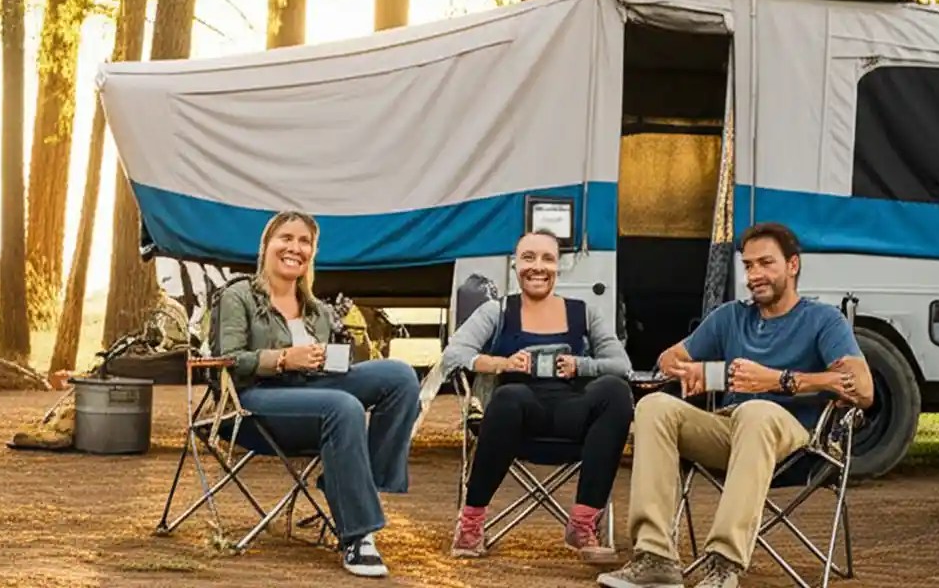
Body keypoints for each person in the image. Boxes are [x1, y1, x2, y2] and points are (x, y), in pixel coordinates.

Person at [597, 222, 874, 588]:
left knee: (756, 412)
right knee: (654, 408)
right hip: (729, 431)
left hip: (797, 444)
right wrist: (700, 371)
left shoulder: (822, 320)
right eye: (748, 265)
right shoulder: (731, 316)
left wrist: (776, 380)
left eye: (766, 263)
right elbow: (668, 359)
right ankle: (655, 558)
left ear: (792, 265)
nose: (754, 275)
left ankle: (724, 564)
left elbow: (863, 389)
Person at [213, 210, 421, 579]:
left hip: (312, 392)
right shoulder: (239, 296)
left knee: (400, 376)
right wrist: (283, 359)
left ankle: (352, 485)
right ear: (266, 246)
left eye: (304, 241)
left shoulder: (317, 310)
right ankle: (358, 536)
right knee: (343, 406)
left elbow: (325, 373)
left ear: (312, 252)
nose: (295, 247)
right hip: (254, 402)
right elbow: (228, 360)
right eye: (286, 238)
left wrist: (326, 360)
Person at [441, 229, 635, 563]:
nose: (538, 267)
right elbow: (454, 354)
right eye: (528, 258)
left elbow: (622, 365)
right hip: (515, 421)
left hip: (572, 414)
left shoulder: (583, 311)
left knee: (615, 391)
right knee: (510, 396)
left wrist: (581, 365)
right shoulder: (497, 311)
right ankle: (471, 523)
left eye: (547, 258)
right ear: (515, 264)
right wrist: (502, 363)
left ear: (559, 265)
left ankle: (583, 524)